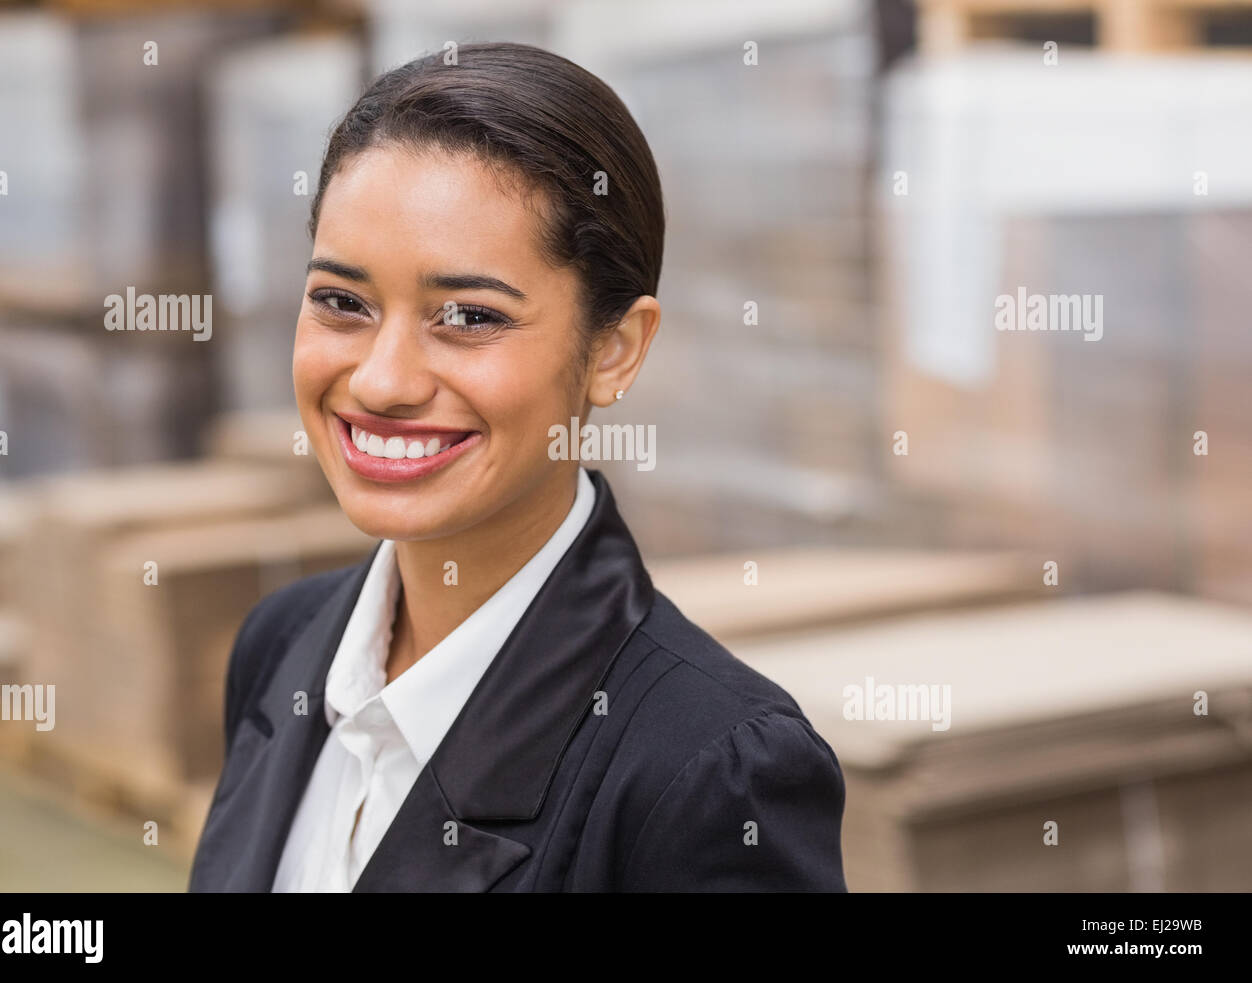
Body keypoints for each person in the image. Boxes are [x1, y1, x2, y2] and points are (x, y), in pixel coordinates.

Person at [188, 41, 846, 892]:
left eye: (468, 314)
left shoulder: (710, 771)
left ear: (614, 349)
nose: (382, 381)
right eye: (341, 302)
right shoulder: (284, 645)